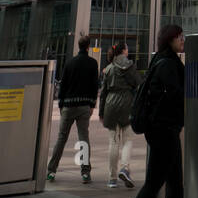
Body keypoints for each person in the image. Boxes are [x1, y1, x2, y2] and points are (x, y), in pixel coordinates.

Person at [122, 23, 185, 198]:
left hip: (164, 131)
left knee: (175, 185)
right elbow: (177, 96)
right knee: (153, 186)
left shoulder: (160, 59)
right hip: (164, 132)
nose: (182, 40)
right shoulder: (168, 64)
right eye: (179, 37)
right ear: (170, 39)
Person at [47, 34, 99, 184]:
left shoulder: (70, 63)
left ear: (79, 46)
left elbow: (63, 86)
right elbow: (94, 86)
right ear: (88, 47)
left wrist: (61, 104)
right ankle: (85, 173)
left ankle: (51, 170)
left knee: (61, 138)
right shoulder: (92, 63)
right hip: (83, 106)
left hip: (68, 106)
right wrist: (92, 105)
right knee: (83, 138)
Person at [99, 42, 138, 189]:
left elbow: (103, 93)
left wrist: (101, 112)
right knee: (127, 140)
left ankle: (112, 178)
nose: (128, 51)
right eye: (127, 49)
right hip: (127, 104)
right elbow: (138, 84)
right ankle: (125, 168)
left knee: (113, 141)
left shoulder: (108, 69)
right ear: (123, 51)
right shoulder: (130, 67)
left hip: (110, 105)